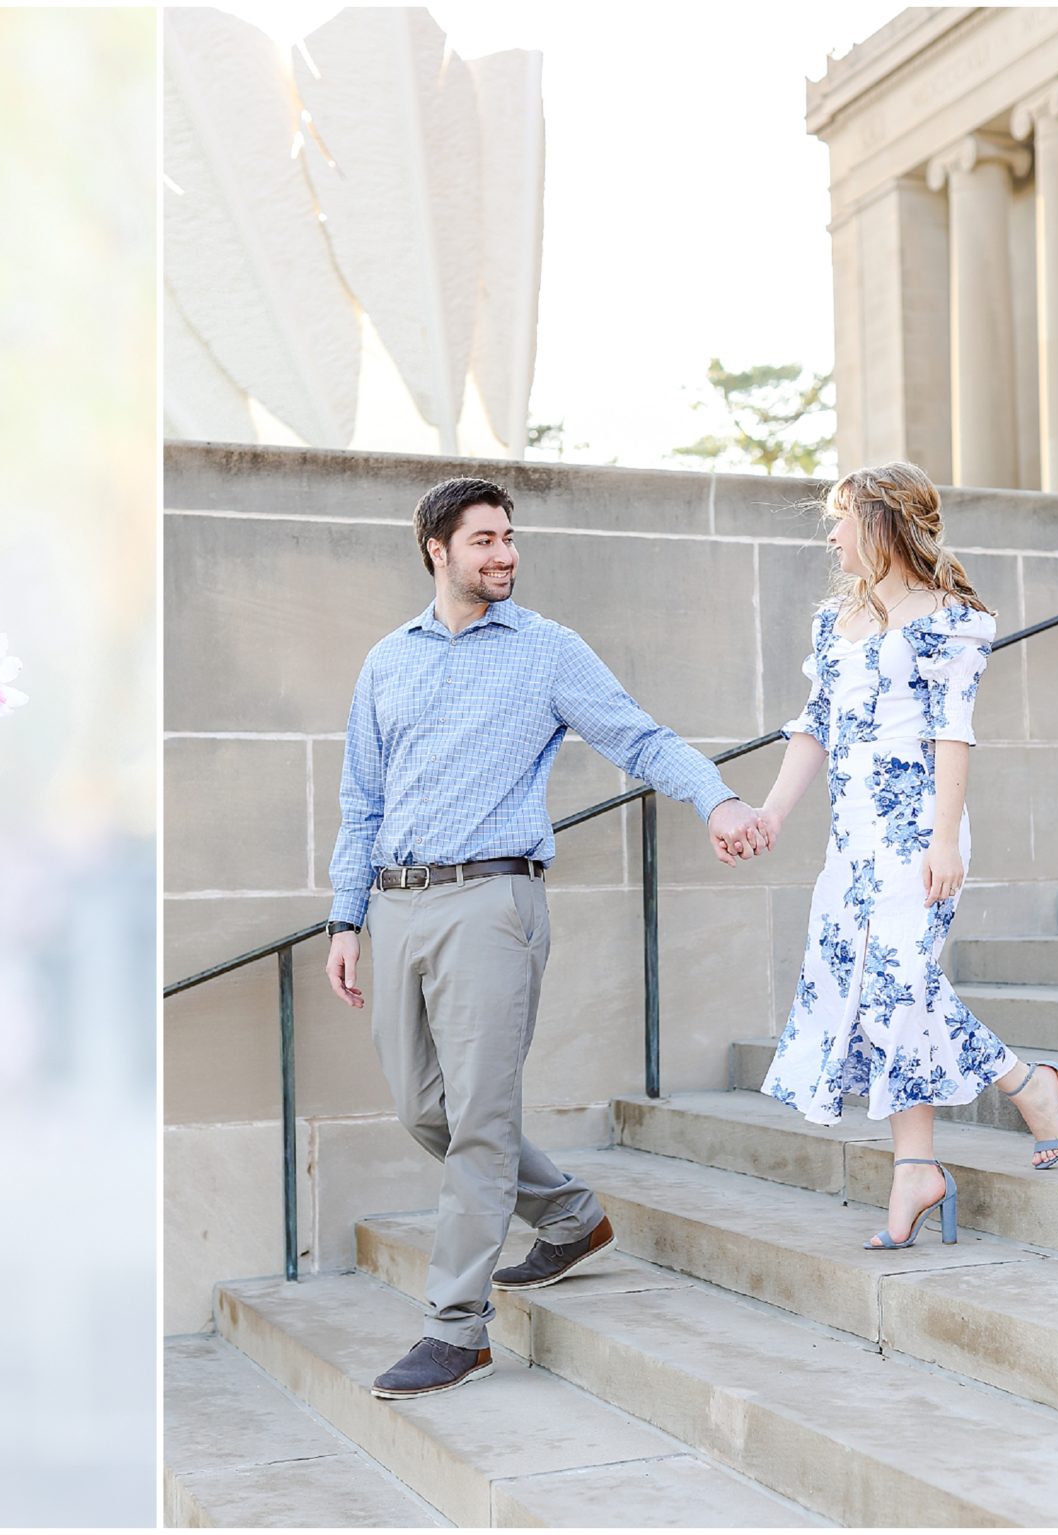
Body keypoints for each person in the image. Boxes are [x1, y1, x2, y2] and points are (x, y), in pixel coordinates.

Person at [324, 477, 773, 1401]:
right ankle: (569, 1214)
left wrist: (717, 796)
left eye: (509, 538)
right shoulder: (387, 661)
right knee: (425, 1110)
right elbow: (359, 801)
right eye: (483, 540)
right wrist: (346, 915)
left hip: (494, 902)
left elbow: (642, 739)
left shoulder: (546, 651)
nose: (503, 555)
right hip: (398, 905)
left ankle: (457, 1327)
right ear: (436, 551)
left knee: (481, 1121)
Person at [757, 463, 1058, 1253]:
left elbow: (953, 731)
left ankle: (951, 1139)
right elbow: (814, 726)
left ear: (881, 523)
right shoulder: (833, 625)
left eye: (841, 520)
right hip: (853, 842)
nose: (831, 536)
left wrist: (943, 839)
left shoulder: (952, 619)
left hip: (917, 833)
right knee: (876, 992)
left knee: (901, 984)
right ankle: (986, 1111)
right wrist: (772, 811)